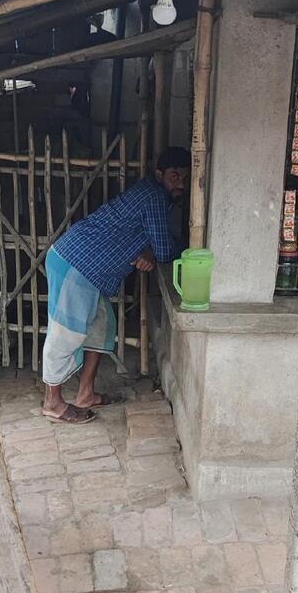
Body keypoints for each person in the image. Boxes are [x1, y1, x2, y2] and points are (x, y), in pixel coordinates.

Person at [42, 146, 190, 424]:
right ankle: (52, 403)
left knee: (102, 328)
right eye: (174, 176)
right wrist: (177, 249)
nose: (180, 182)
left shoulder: (157, 197)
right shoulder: (154, 196)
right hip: (76, 263)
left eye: (184, 176)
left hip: (88, 270)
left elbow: (152, 242)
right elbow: (165, 250)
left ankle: (85, 394)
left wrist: (150, 250)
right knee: (66, 333)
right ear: (159, 174)